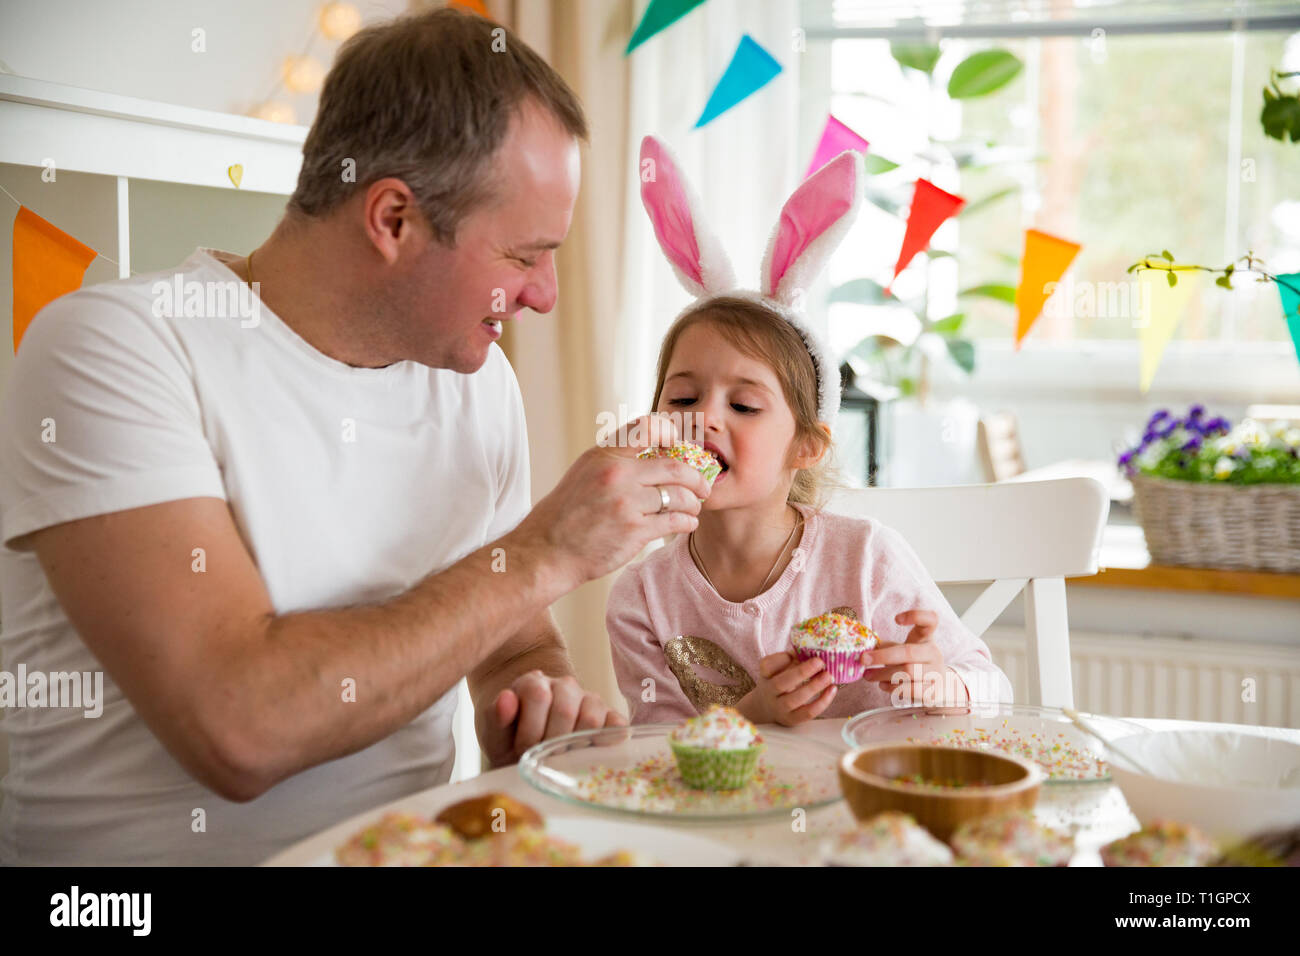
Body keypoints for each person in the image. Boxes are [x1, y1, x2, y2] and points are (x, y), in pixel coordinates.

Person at [0, 9, 708, 866]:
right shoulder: (115, 347)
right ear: (394, 219)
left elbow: (512, 636)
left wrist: (535, 700)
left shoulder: (479, 385)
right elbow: (238, 727)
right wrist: (548, 551)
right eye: (524, 256)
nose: (545, 296)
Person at [606, 137, 1013, 725]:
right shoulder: (642, 597)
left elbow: (992, 687)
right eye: (684, 397)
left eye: (745, 405)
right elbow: (661, 750)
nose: (706, 418)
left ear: (806, 446)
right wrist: (752, 715)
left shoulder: (866, 559)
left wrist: (938, 681)